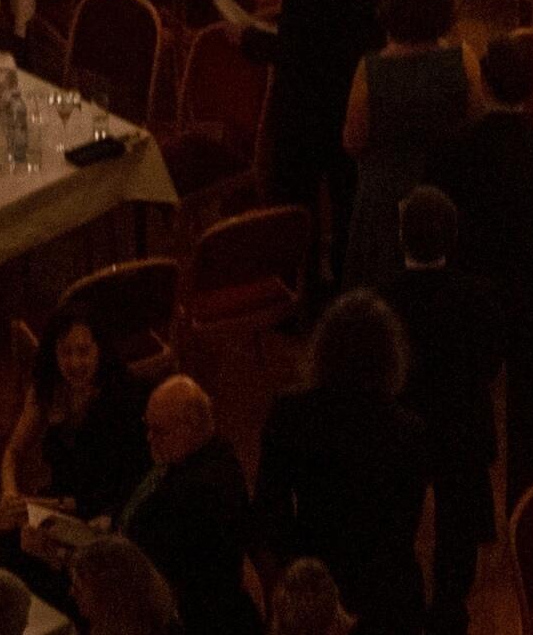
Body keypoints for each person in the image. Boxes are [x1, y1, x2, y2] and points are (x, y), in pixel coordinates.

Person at [254, 293, 431, 635]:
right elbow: (403, 529)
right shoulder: (408, 430)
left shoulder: (290, 414)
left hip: (314, 587)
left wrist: (292, 581)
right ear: (389, 356)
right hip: (386, 598)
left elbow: (268, 511)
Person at [454, 31, 533, 496]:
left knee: (468, 405)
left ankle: (472, 501)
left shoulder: (461, 147)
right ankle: (532, 509)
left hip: (477, 296)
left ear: (485, 85)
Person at [268, 0, 389, 285]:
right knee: (349, 201)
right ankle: (347, 281)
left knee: (294, 193)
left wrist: (246, 39)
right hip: (368, 92)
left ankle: (297, 288)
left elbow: (293, 52)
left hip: (317, 105)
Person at [389, 187, 494, 635]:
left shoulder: (384, 298)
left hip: (402, 430)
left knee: (397, 519)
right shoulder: (477, 296)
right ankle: (451, 607)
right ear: (452, 238)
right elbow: (491, 362)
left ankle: (403, 601)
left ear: (402, 238)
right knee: (458, 525)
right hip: (461, 426)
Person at [341, 0, 474, 296]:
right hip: (444, 188)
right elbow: (475, 124)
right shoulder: (464, 59)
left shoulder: (371, 70)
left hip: (384, 198)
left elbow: (353, 142)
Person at [0, 302, 151, 586]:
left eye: (83, 351)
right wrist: (10, 494)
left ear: (99, 350)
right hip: (56, 510)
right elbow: (13, 452)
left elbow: (105, 492)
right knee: (0, 551)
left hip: (101, 517)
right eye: (66, 352)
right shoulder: (48, 388)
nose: (75, 363)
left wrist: (31, 504)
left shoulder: (120, 395)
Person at [118, 380, 259, 635]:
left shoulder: (197, 490)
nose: (150, 438)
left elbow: (147, 565)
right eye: (147, 427)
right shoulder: (205, 455)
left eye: (159, 430)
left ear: (191, 427)